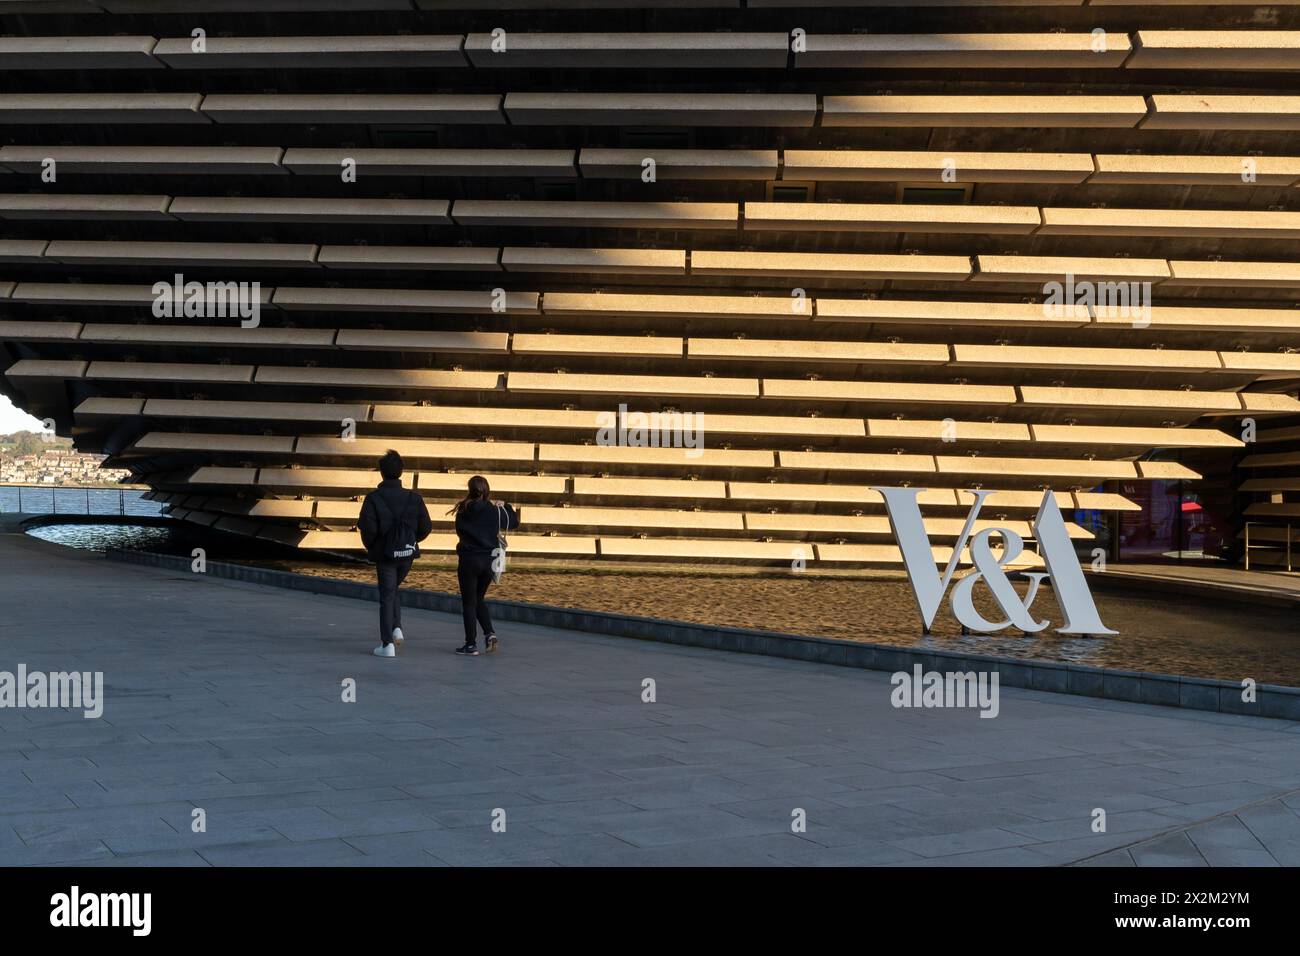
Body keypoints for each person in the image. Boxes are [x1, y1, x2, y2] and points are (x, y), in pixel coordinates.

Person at [358, 450, 432, 659]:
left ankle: (387, 644)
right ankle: (396, 626)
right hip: (407, 555)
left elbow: (368, 530)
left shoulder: (373, 499)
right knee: (393, 590)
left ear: (381, 473)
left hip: (385, 555)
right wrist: (411, 540)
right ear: (401, 472)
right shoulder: (414, 498)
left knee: (386, 596)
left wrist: (374, 547)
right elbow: (426, 527)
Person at [449, 475, 519, 656]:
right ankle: (490, 634)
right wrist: (505, 505)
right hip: (489, 561)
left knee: (469, 603)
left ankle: (470, 644)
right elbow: (514, 522)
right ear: (487, 491)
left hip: (469, 559)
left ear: (470, 490)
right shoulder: (494, 511)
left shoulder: (463, 509)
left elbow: (460, 531)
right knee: (478, 598)